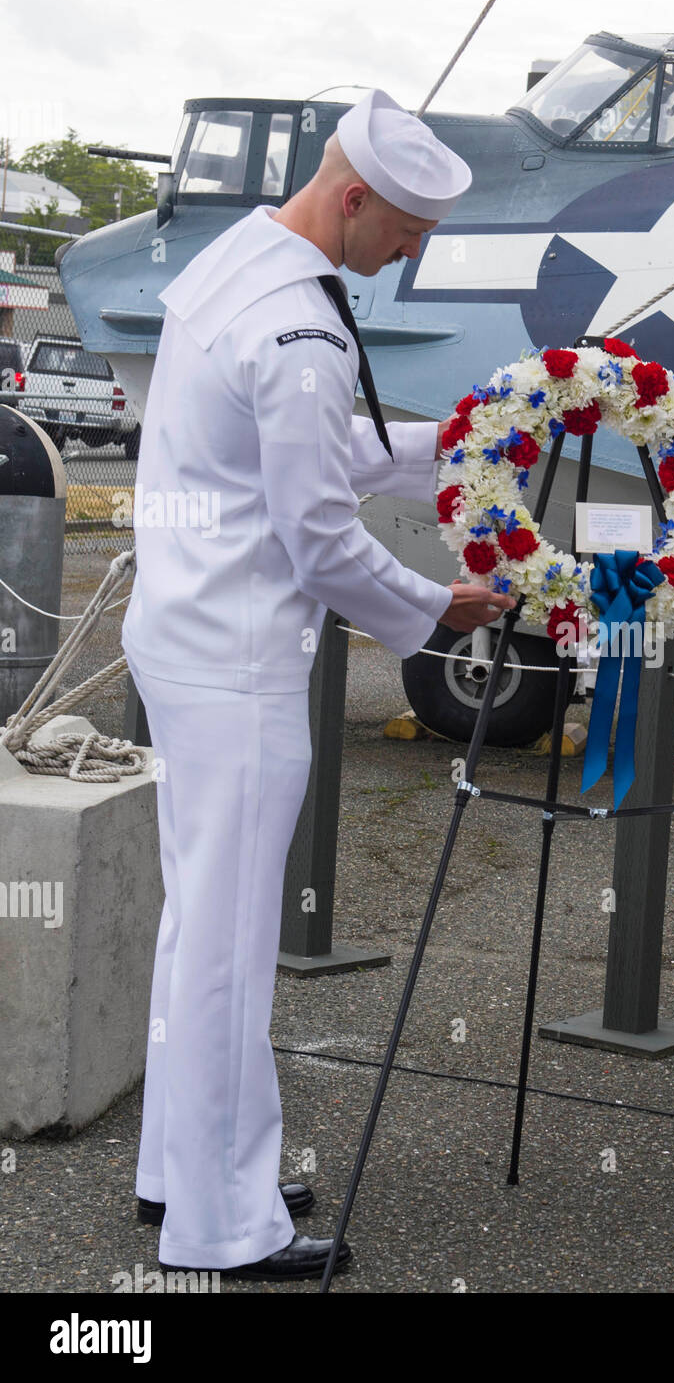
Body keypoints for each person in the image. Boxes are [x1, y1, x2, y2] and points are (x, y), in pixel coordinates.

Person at [122, 88, 513, 1281]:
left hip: (186, 634)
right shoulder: (301, 328)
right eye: (405, 230)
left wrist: (459, 435)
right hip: (238, 659)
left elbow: (300, 447)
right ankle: (226, 1228)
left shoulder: (236, 269)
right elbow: (315, 530)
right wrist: (432, 608)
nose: (413, 253)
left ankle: (183, 1170)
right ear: (352, 198)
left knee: (200, 926)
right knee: (232, 944)